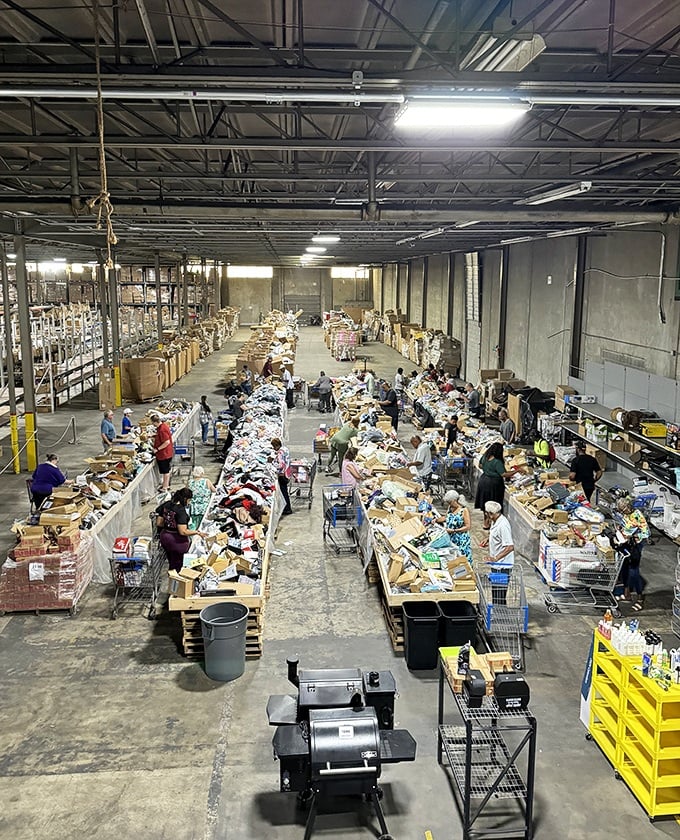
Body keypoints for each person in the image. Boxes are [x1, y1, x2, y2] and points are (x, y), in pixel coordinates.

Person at [155, 487, 204, 572]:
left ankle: (172, 578)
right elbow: (183, 531)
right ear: (185, 499)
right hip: (176, 541)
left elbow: (159, 522)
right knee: (178, 565)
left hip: (165, 537)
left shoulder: (166, 504)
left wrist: (168, 524)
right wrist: (197, 532)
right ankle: (176, 582)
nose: (189, 502)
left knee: (171, 561)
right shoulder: (180, 511)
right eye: (189, 500)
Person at [617, 498, 651, 610]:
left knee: (634, 572)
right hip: (626, 543)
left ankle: (640, 598)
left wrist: (633, 537)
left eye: (623, 510)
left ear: (628, 508)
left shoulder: (637, 516)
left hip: (635, 546)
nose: (622, 513)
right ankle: (627, 594)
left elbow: (646, 533)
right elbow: (626, 525)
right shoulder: (626, 515)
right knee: (624, 568)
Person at [475, 441, 515, 528]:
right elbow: (503, 474)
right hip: (494, 484)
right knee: (494, 503)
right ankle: (493, 522)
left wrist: (488, 470)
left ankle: (486, 522)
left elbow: (480, 465)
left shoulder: (485, 457)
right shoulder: (497, 462)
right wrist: (516, 471)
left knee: (485, 502)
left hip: (483, 481)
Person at [484, 500, 515, 605]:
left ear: (491, 514)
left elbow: (510, 546)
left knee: (499, 593)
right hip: (496, 565)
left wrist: (496, 558)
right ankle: (497, 610)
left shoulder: (503, 525)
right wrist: (487, 539)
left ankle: (500, 613)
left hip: (503, 566)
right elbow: (495, 534)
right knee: (495, 591)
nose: (485, 514)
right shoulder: (495, 521)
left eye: (487, 513)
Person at [437, 490, 472, 563]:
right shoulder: (450, 508)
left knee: (462, 559)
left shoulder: (464, 510)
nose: (449, 504)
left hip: (461, 539)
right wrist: (436, 520)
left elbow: (467, 526)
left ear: (455, 500)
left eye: (450, 502)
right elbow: (446, 517)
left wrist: (454, 531)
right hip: (451, 538)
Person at [150, 413, 174, 492]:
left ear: (155, 422)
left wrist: (157, 449)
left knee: (165, 471)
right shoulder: (163, 426)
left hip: (164, 454)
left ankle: (165, 487)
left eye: (152, 423)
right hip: (167, 453)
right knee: (166, 470)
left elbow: (166, 442)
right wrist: (154, 436)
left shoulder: (162, 429)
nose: (153, 425)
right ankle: (165, 484)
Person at [271, 437, 292, 516]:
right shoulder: (285, 449)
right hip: (288, 473)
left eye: (274, 447)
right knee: (285, 491)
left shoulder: (280, 453)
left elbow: (281, 465)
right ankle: (287, 508)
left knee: (283, 493)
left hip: (282, 475)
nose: (274, 448)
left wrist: (273, 465)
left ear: (277, 445)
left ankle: (287, 509)